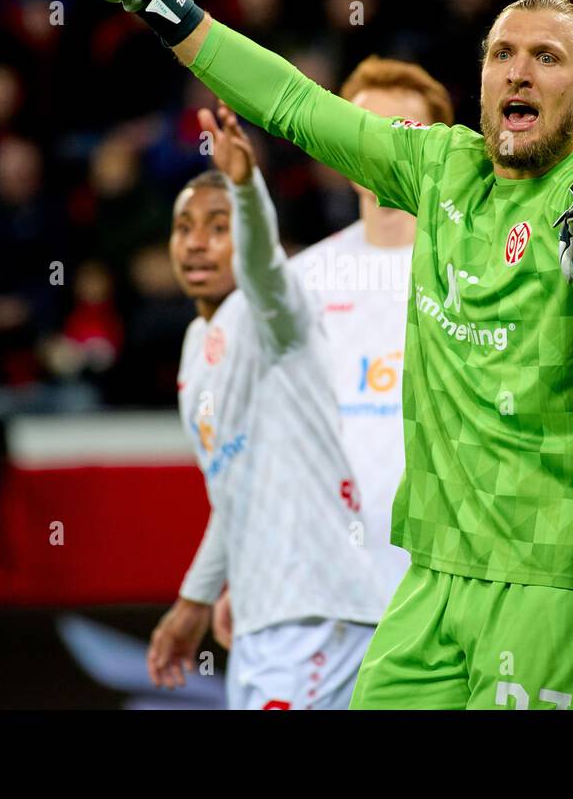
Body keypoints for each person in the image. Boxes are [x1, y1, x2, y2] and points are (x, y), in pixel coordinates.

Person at [16, 0, 573, 710]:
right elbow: (292, 102)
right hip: (433, 578)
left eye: (546, 58)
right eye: (502, 55)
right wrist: (160, 4)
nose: (518, 73)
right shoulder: (440, 168)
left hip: (554, 577)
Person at [147, 102, 388, 710]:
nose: (197, 244)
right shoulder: (196, 346)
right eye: (185, 227)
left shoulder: (276, 314)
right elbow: (230, 491)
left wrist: (246, 186)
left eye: (218, 226)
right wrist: (194, 601)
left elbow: (263, 267)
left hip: (318, 613)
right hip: (262, 621)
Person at [212, 57, 454, 650]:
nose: (385, 150)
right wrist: (237, 567)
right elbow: (254, 435)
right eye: (368, 132)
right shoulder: (302, 281)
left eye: (407, 134)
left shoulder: (477, 276)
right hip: (321, 589)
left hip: (447, 588)